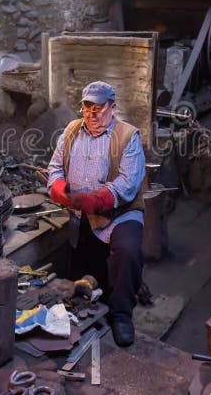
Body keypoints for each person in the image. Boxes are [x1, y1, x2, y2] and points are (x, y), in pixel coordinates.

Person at [47, 81, 147, 346]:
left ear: (112, 108)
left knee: (128, 251)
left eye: (99, 108)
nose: (92, 114)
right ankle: (87, 299)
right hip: (82, 214)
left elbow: (128, 182)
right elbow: (55, 168)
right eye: (87, 107)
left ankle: (122, 314)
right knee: (80, 266)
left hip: (119, 214)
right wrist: (59, 190)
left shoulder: (128, 136)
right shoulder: (71, 132)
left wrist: (98, 199)